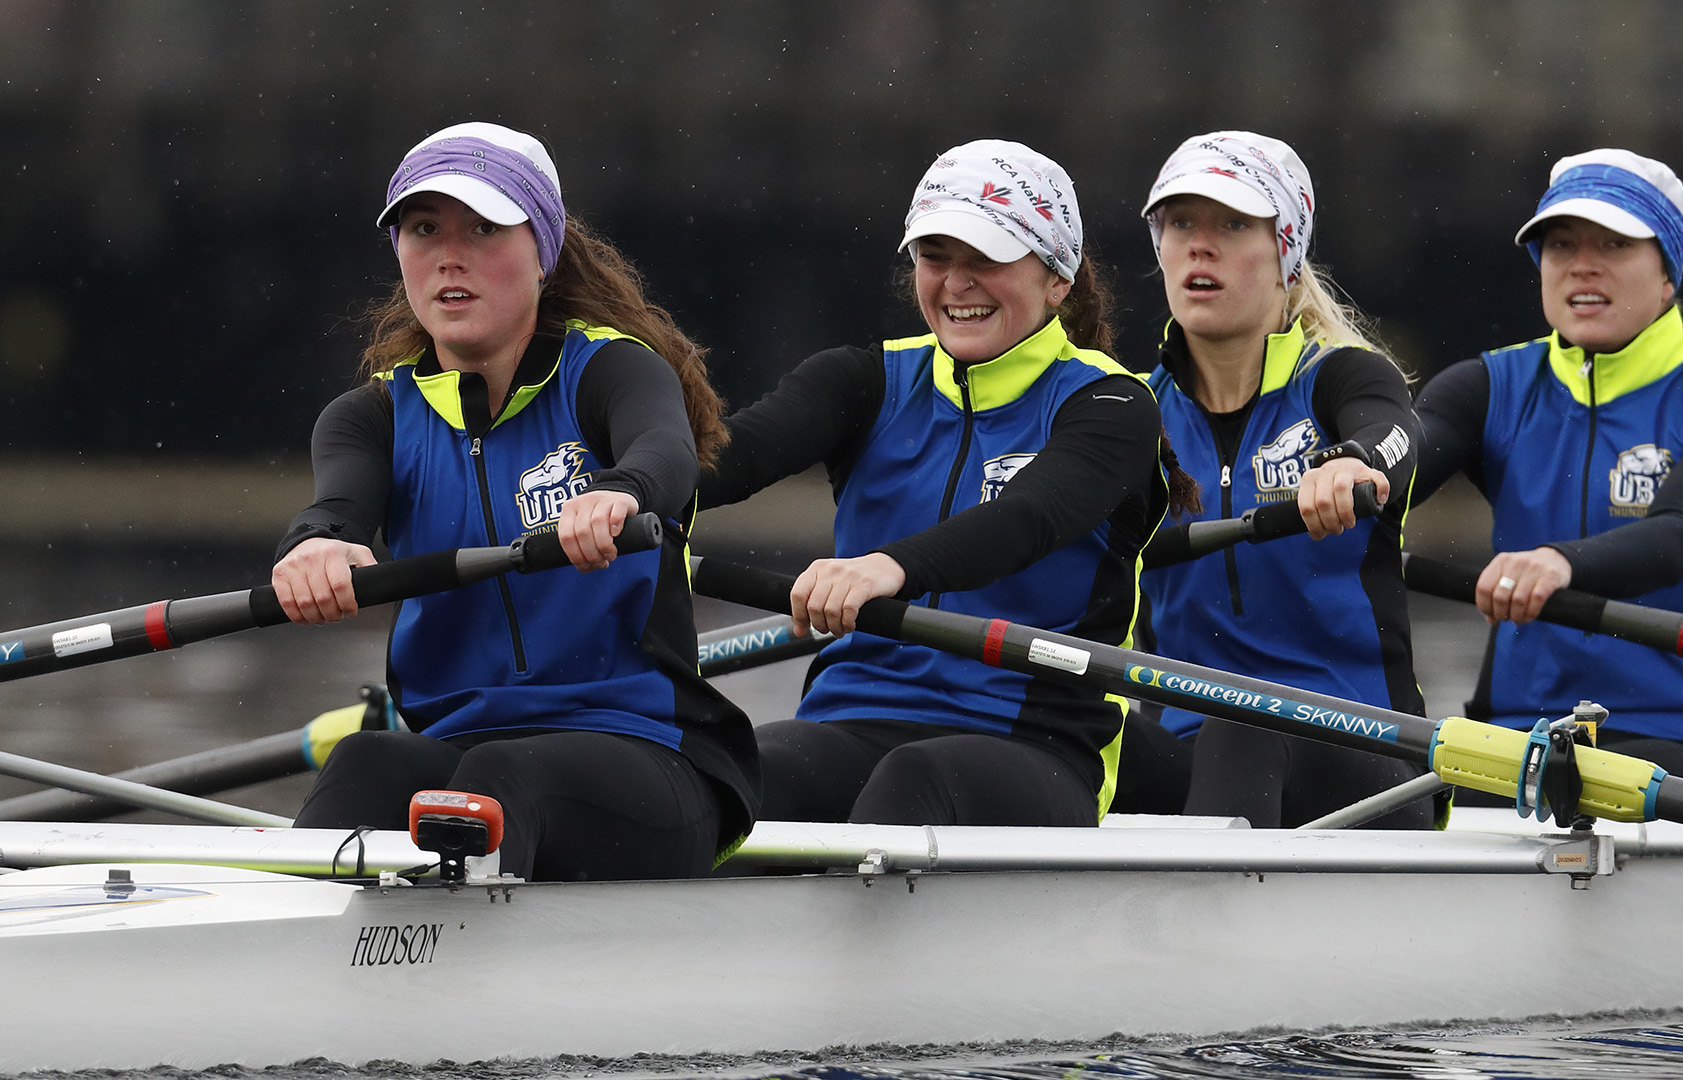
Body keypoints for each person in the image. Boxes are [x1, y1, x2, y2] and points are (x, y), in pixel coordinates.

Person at [271, 122, 759, 880]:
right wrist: (315, 545)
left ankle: (451, 975)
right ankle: (281, 965)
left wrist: (620, 493)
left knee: (501, 776)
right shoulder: (371, 415)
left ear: (545, 252)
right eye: (424, 228)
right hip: (461, 757)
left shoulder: (612, 374)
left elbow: (662, 456)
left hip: (653, 758)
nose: (449, 254)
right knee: (367, 760)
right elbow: (336, 506)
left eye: (484, 227)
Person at [701, 139, 1194, 827]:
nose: (956, 283)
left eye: (986, 258)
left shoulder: (1110, 405)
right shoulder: (862, 380)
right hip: (853, 716)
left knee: (916, 778)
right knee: (740, 771)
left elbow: (1028, 519)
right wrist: (625, 491)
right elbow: (726, 457)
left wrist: (887, 566)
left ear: (1058, 277)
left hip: (1034, 740)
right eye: (936, 257)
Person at [1412, 148, 1683, 800]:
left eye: (1614, 243)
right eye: (1560, 244)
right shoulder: (1486, 387)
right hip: (1516, 735)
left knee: (1578, 790)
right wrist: (1351, 474)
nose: (1582, 263)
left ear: (1668, 273)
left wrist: (1558, 563)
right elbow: (1398, 468)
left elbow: (1676, 536)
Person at [1124, 131, 1431, 829]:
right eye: (1181, 224)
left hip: (1366, 759)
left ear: (1286, 253)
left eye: (1233, 225)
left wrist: (1353, 462)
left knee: (1244, 723)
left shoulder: (1343, 378)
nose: (1201, 246)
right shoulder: (1131, 416)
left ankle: (1196, 932)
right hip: (1188, 758)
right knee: (1040, 722)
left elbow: (1394, 432)